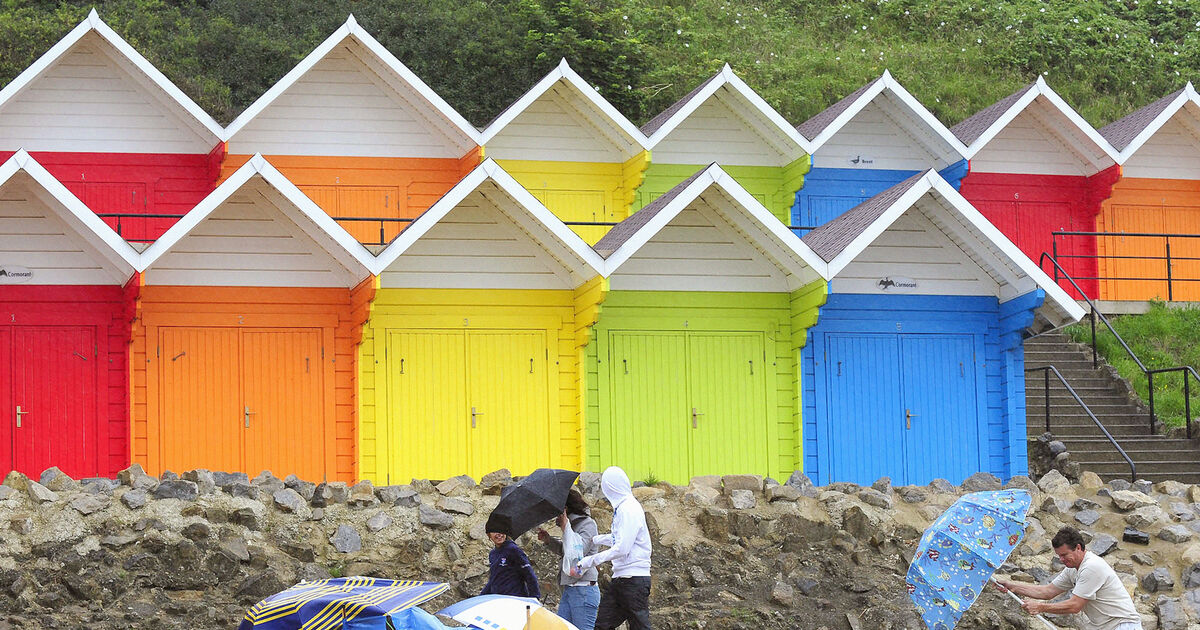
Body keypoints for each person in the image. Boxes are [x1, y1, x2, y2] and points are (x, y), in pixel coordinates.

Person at [996, 526, 1142, 630]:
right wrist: (1012, 586)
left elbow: (1074, 606)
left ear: (1078, 548)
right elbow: (1047, 592)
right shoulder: (1072, 569)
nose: (1061, 559)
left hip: (1123, 625)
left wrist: (1041, 607)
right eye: (1059, 556)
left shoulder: (1091, 566)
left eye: (1064, 555)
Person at [574, 466, 652, 630]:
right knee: (602, 625)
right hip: (621, 579)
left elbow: (622, 548)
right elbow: (620, 538)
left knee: (639, 627)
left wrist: (590, 561)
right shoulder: (622, 508)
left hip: (634, 579)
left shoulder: (629, 509)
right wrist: (596, 539)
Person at [538, 489, 600, 630]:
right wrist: (549, 540)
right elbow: (566, 552)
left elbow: (579, 552)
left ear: (565, 509)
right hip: (570, 589)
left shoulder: (587, 524)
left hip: (584, 589)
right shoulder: (572, 525)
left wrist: (566, 526)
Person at [480, 525, 541, 600]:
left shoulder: (513, 550)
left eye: (501, 530)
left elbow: (529, 574)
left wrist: (534, 597)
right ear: (488, 534)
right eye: (495, 531)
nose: (499, 534)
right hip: (498, 600)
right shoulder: (492, 554)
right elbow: (494, 579)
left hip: (515, 599)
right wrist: (480, 597)